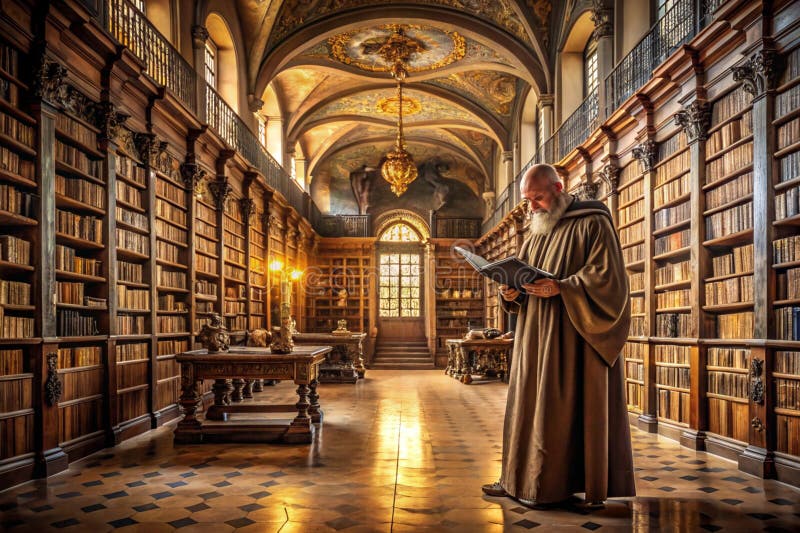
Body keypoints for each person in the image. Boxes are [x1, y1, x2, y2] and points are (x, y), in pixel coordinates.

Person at [481, 163, 635, 508]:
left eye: (537, 199)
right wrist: (512, 292)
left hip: (572, 338)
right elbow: (522, 275)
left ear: (558, 187)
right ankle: (517, 480)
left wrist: (562, 287)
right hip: (533, 336)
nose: (532, 208)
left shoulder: (593, 221)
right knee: (526, 408)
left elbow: (609, 279)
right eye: (527, 201)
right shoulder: (536, 231)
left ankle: (551, 486)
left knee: (559, 408)